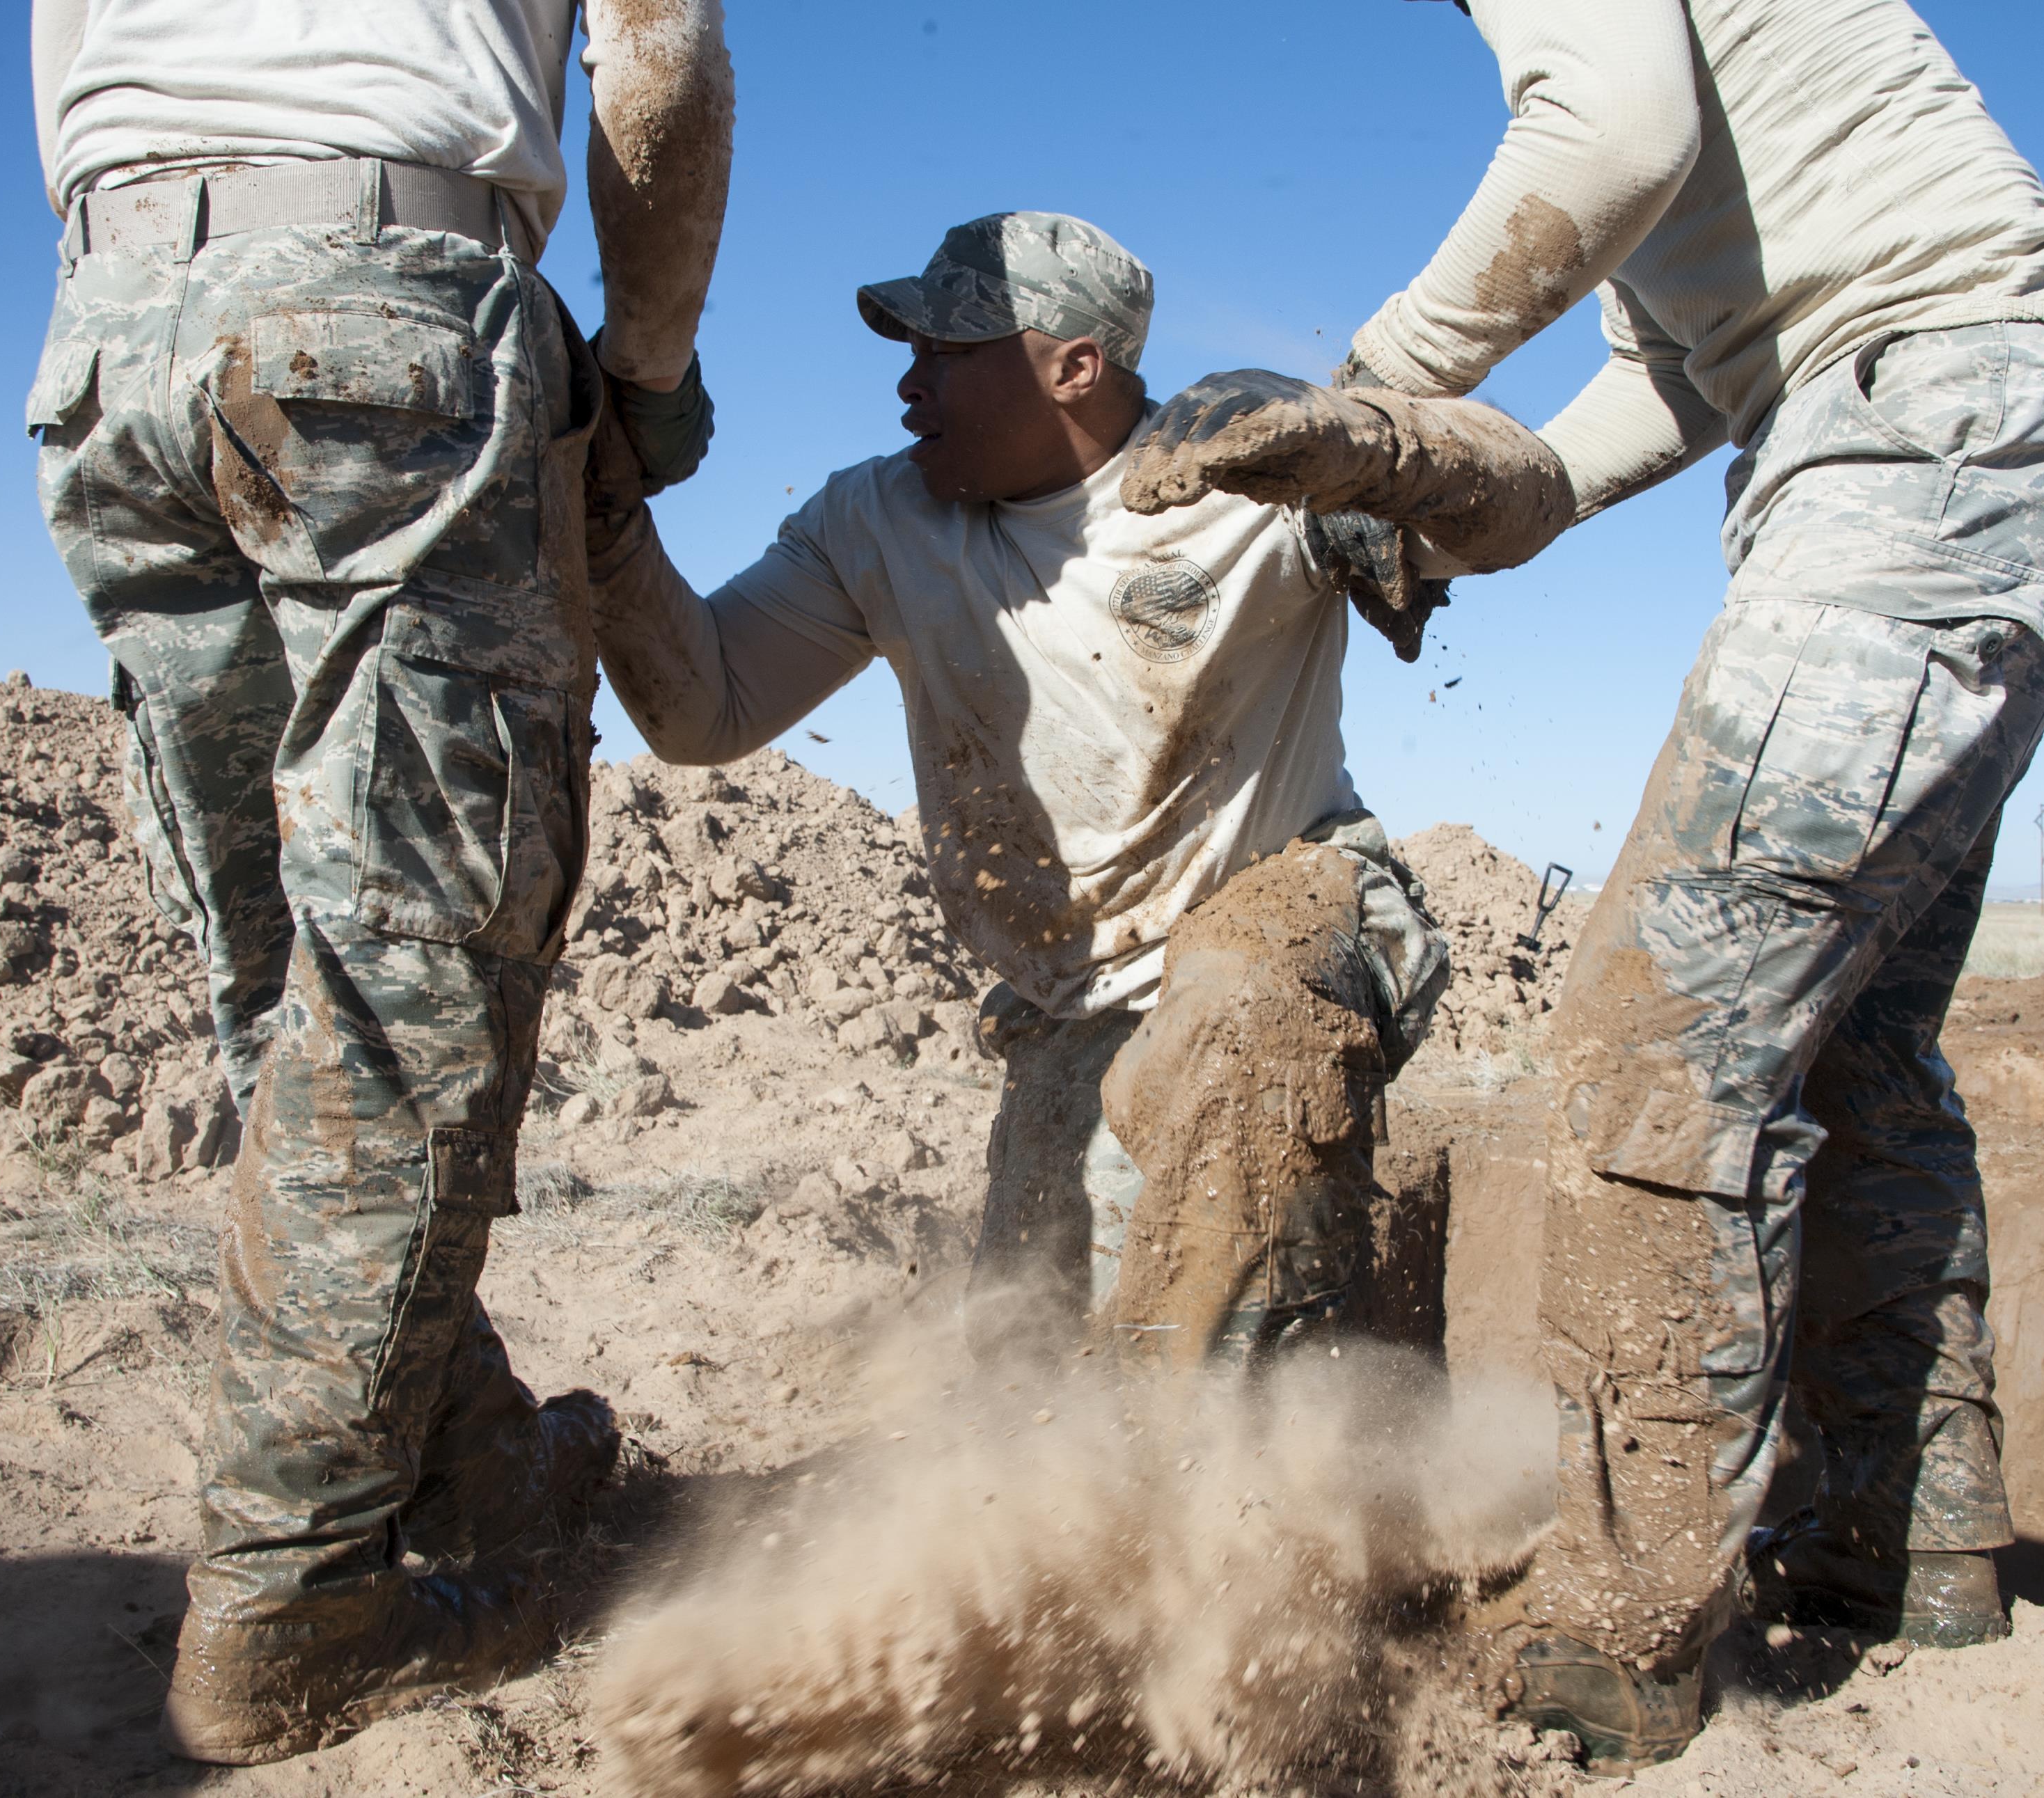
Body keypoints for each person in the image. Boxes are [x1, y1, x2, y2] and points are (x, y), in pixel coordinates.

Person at [1123, 0, 2044, 1770]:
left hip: (1918, 439)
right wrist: (1404, 467)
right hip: (2023, 441)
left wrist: (1381, 376)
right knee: (1849, 1051)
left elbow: (1606, 139)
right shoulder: (1764, 163)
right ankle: (1902, 1553)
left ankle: (1613, 1641)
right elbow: (1639, 409)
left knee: (1651, 1041)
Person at [24, 0, 732, 1765]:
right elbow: (657, 59)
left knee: (290, 976)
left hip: (110, 331)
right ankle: (296, 1597)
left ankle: (466, 1455)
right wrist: (644, 375)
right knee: (413, 972)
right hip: (376, 317)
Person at [579, 212, 1560, 1367]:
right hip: (1072, 1004)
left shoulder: (1252, 475)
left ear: (1075, 367)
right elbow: (703, 711)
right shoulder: (879, 520)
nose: (909, 384)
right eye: (912, 351)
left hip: (1279, 937)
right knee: (1036, 1378)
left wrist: (1361, 439)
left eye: (947, 353)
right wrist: (604, 521)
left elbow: (1532, 500)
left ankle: (1280, 1461)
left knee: (1219, 1294)